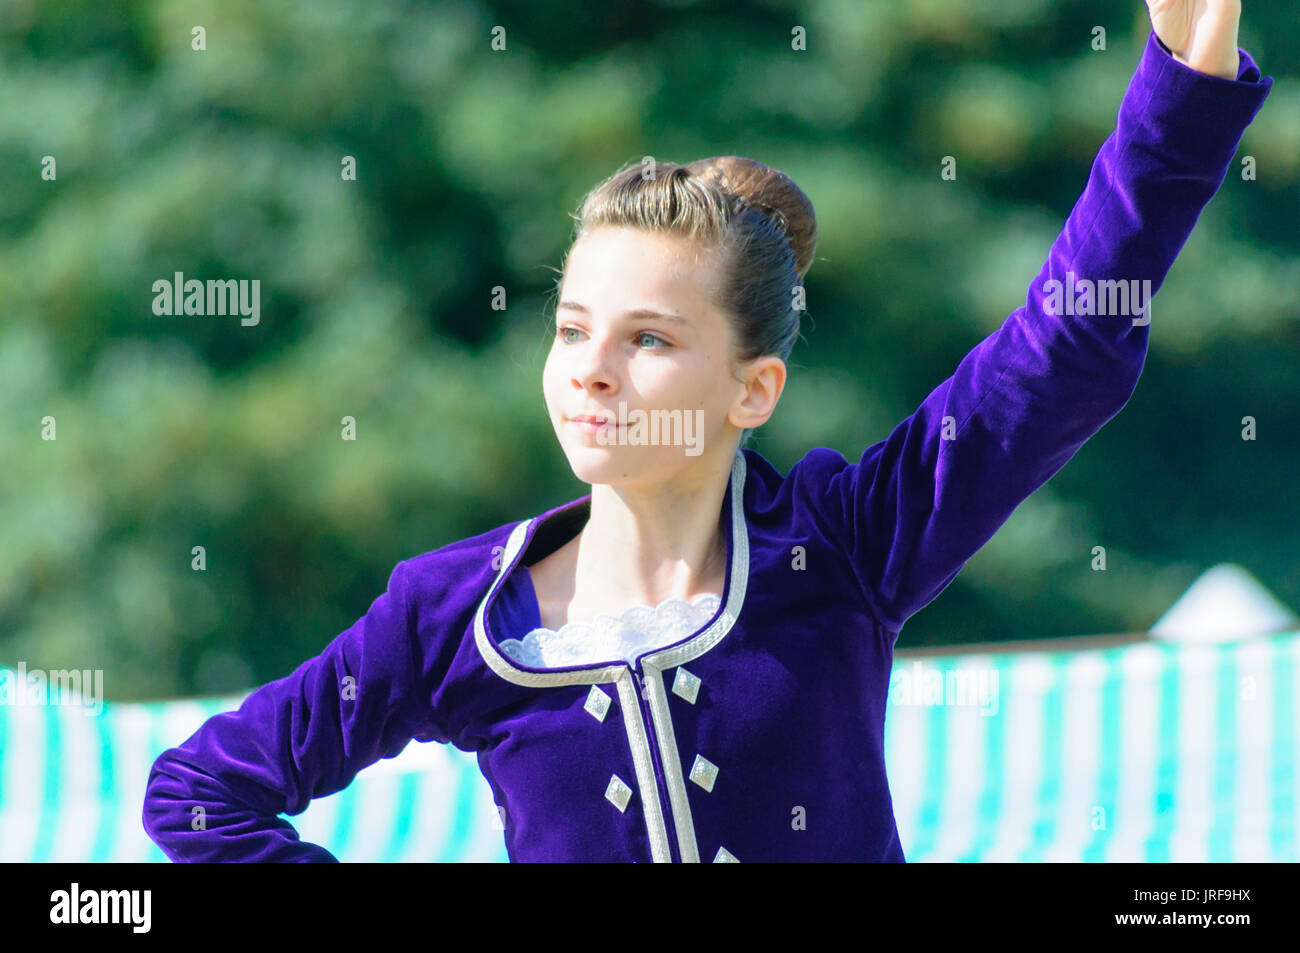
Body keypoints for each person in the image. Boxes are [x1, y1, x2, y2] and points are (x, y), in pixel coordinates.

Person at [143, 2, 1272, 862]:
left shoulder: (840, 547)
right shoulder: (449, 614)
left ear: (754, 388)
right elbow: (197, 793)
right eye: (572, 325)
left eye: (646, 339)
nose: (589, 364)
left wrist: (1178, 87)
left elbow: (1059, 357)